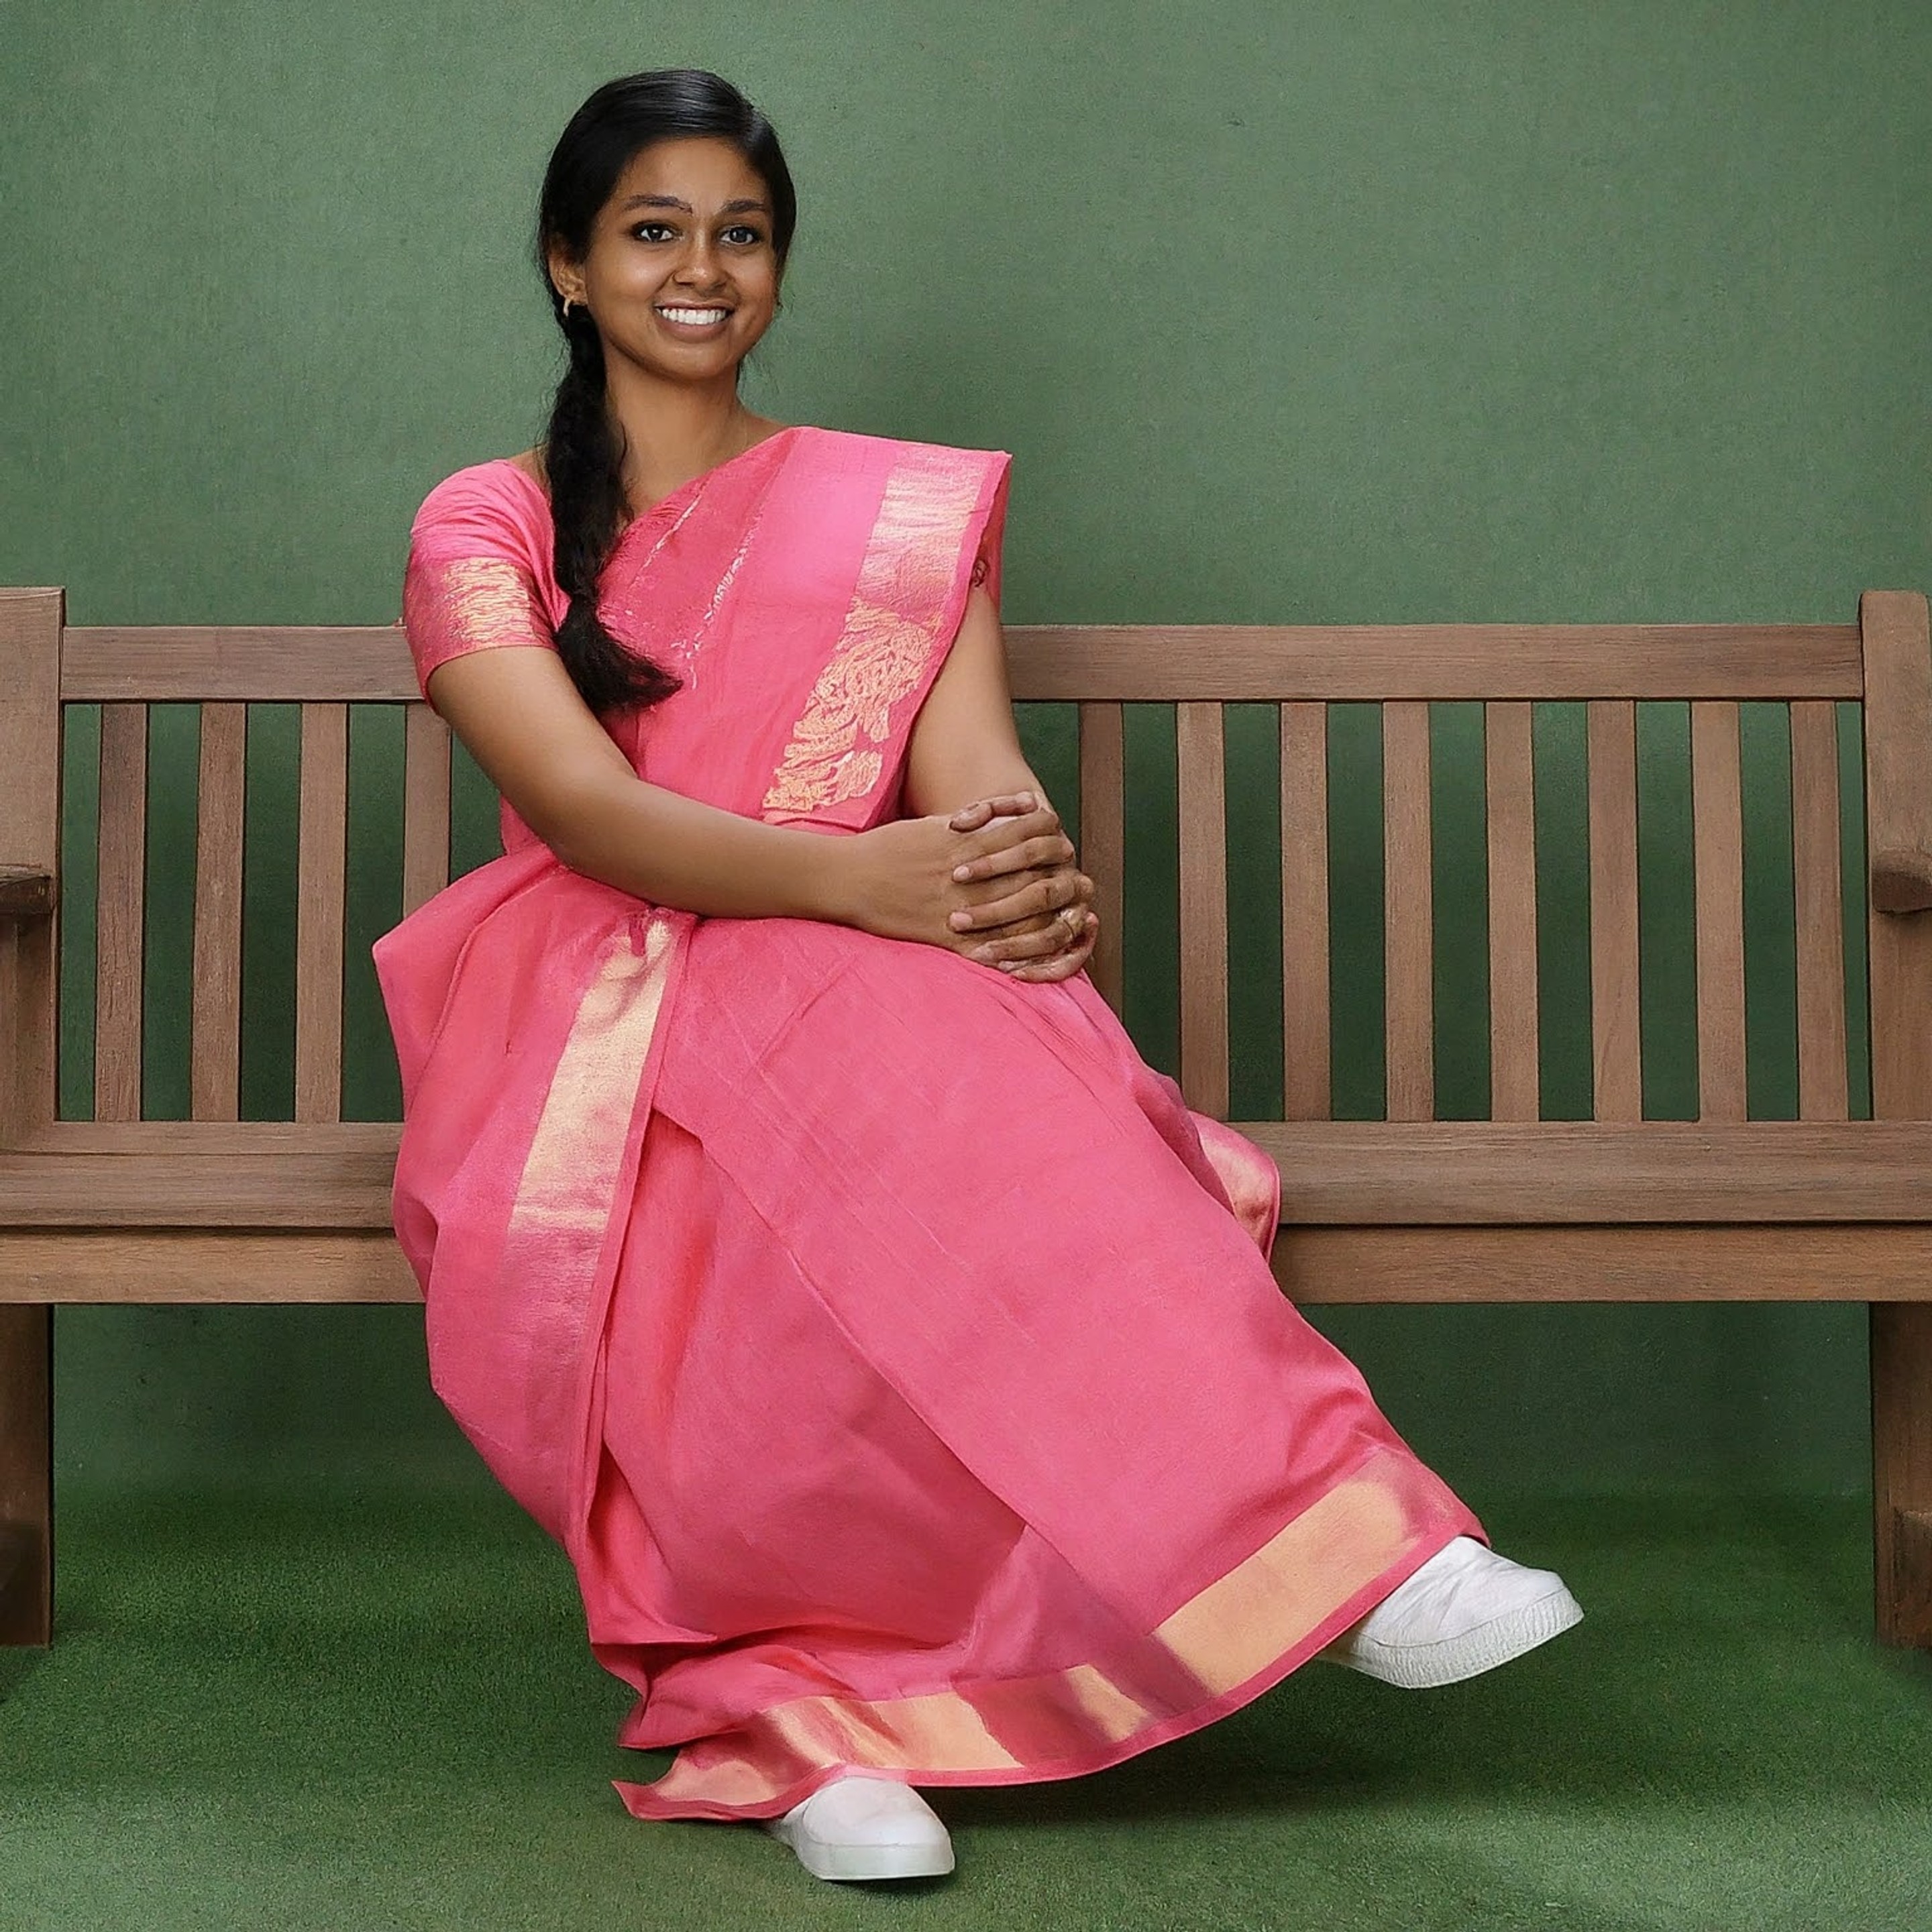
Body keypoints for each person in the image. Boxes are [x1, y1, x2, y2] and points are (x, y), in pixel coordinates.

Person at [374, 68, 1582, 1886]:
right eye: (652, 230)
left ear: (778, 265)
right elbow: (583, 810)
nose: (702, 268)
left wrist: (1016, 888)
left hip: (849, 956)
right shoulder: (486, 522)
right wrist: (875, 886)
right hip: (589, 995)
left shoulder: (898, 519)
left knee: (965, 1016)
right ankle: (878, 1670)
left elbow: (978, 786)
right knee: (861, 1008)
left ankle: (914, 1682)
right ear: (568, 264)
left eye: (743, 233)